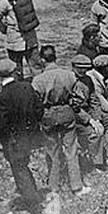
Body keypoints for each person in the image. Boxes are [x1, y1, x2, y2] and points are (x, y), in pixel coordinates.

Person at [33, 46, 89, 199]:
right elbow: (79, 97)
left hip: (48, 114)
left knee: (52, 152)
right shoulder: (69, 75)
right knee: (71, 150)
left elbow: (35, 102)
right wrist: (71, 105)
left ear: (42, 60)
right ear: (55, 57)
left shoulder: (38, 80)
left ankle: (53, 187)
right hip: (66, 113)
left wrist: (42, 113)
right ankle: (77, 186)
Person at [0, 57, 43, 212]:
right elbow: (39, 109)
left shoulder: (3, 96)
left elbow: (2, 125)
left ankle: (33, 202)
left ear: (0, 76)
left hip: (14, 139)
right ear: (14, 72)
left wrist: (5, 142)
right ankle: (31, 192)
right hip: (30, 134)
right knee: (23, 164)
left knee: (18, 167)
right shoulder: (27, 87)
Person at [69, 53, 104, 172]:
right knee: (94, 132)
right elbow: (73, 106)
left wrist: (97, 117)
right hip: (75, 116)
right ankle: (91, 161)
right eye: (80, 68)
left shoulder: (88, 80)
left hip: (88, 113)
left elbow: (93, 99)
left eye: (85, 68)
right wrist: (90, 120)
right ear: (73, 67)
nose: (83, 71)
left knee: (103, 126)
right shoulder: (69, 81)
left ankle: (98, 161)